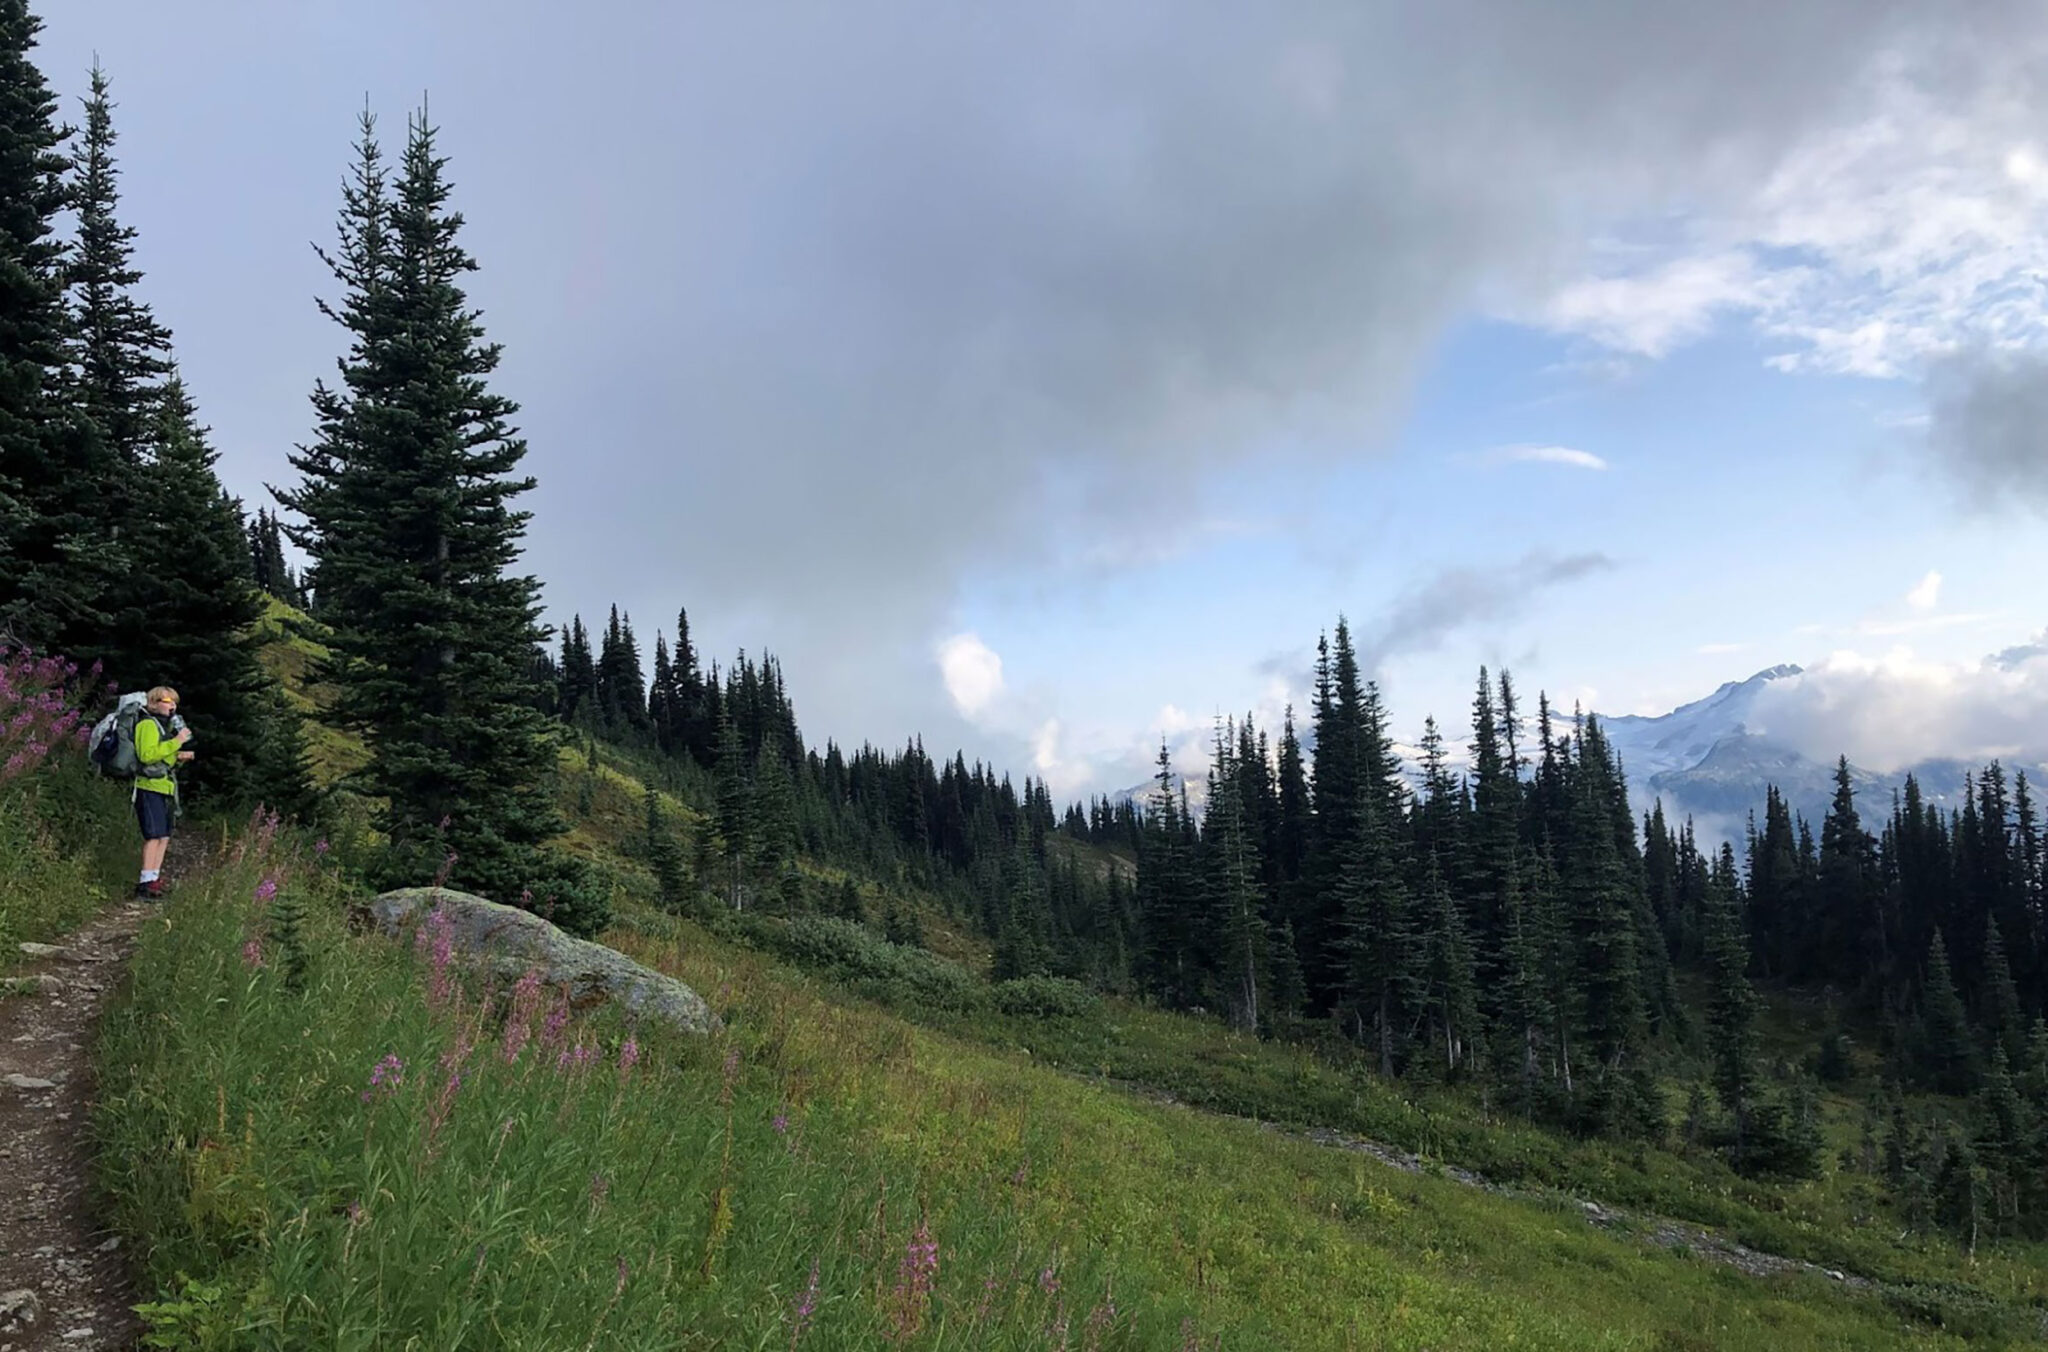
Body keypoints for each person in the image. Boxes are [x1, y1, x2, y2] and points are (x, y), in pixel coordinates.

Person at [133, 686, 194, 899]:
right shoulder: (147, 724)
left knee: (164, 836)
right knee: (153, 835)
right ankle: (145, 883)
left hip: (164, 787)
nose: (172, 706)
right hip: (149, 787)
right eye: (168, 701)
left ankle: (154, 878)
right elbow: (147, 755)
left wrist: (177, 756)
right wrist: (177, 742)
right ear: (154, 702)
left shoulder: (162, 726)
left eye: (174, 702)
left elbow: (162, 758)